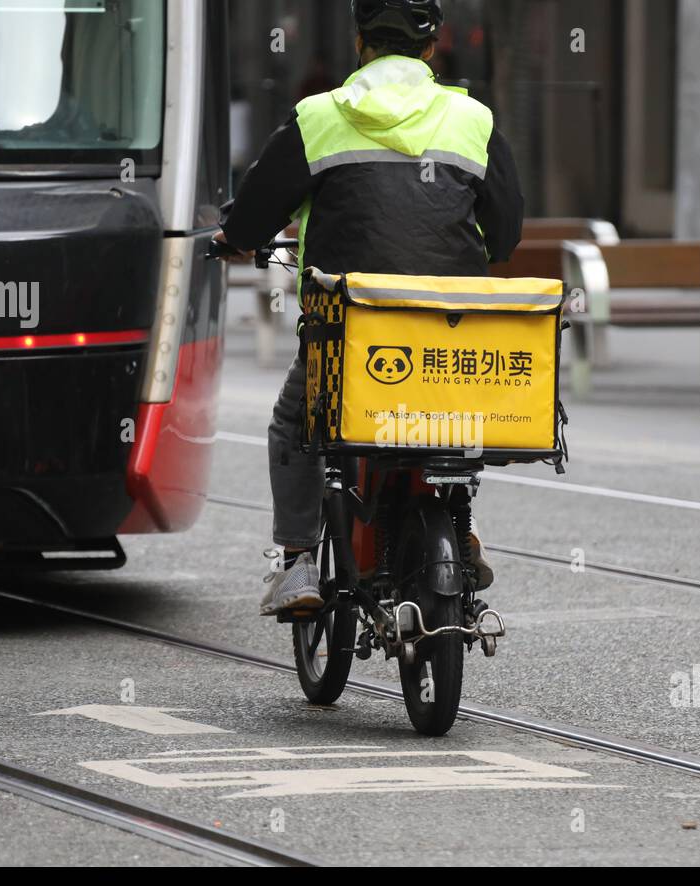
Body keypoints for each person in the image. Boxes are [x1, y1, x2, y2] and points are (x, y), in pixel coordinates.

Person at [215, 0, 525, 617]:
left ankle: (299, 560)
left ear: (360, 44)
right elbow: (507, 232)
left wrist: (233, 238)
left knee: (295, 423)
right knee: (451, 418)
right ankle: (458, 530)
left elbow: (252, 216)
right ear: (432, 49)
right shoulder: (473, 120)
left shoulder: (320, 118)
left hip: (350, 332)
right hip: (448, 331)